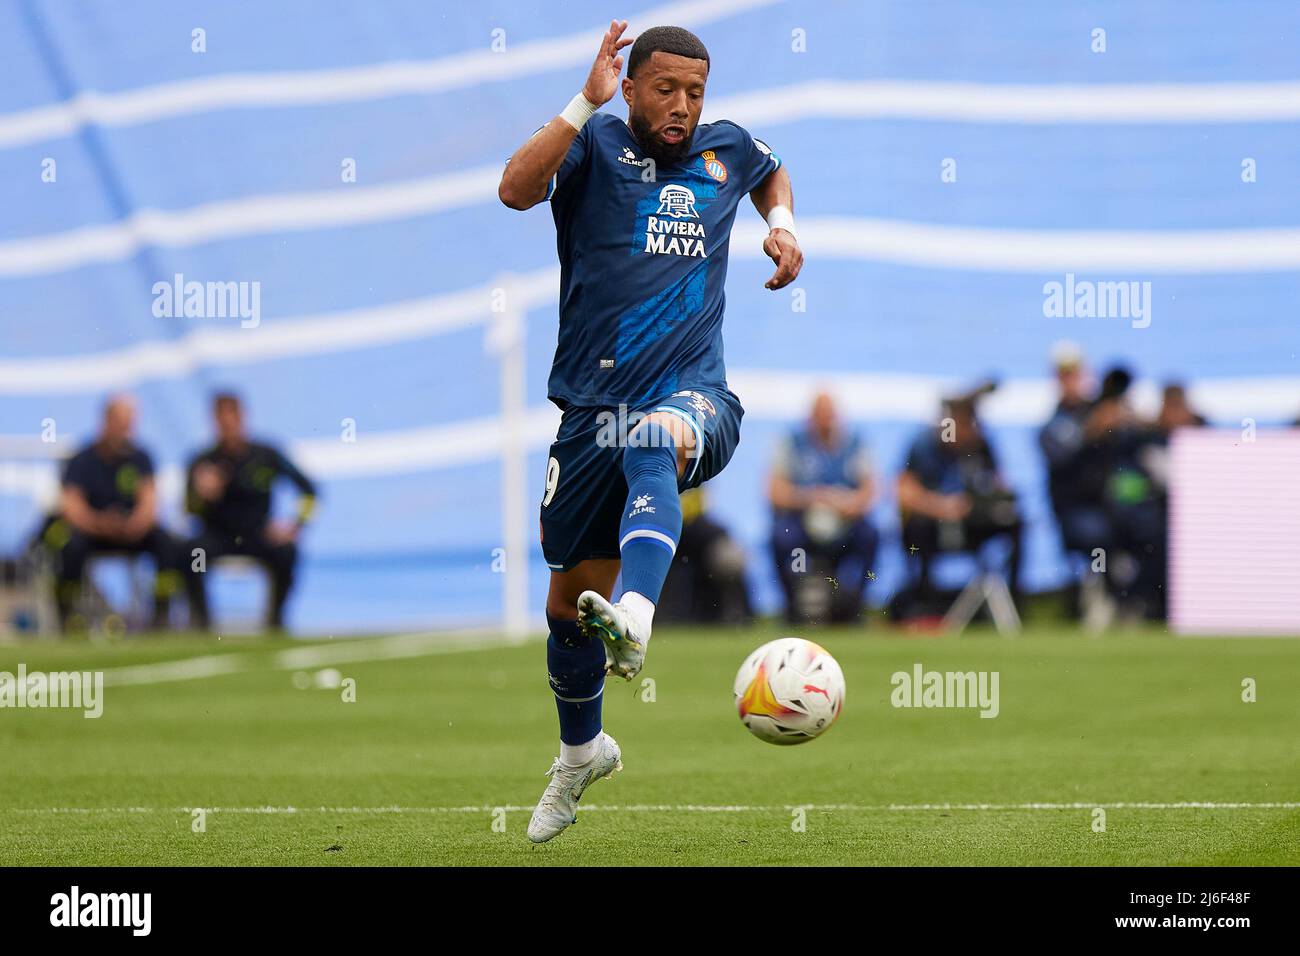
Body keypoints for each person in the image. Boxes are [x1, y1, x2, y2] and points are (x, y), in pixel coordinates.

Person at [498, 21, 802, 842]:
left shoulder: (726, 151)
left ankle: (637, 609)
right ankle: (581, 752)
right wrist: (580, 101)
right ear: (630, 87)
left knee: (651, 441)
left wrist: (785, 228)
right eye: (664, 89)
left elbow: (772, 172)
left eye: (695, 93)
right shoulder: (594, 143)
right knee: (566, 608)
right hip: (588, 415)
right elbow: (515, 190)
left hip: (694, 396)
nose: (680, 107)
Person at [183, 392, 317, 632]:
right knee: (193, 553)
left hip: (257, 536)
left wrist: (296, 526)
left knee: (286, 552)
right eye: (221, 420)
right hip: (217, 538)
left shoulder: (267, 455)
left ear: (242, 418)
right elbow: (187, 509)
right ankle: (202, 622)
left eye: (232, 418)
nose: (228, 426)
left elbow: (309, 491)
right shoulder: (202, 461)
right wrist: (200, 495)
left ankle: (275, 621)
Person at [48, 394, 183, 631]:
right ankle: (67, 615)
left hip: (129, 533)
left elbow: (149, 503)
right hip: (92, 534)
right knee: (70, 545)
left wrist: (134, 524)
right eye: (121, 422)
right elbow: (71, 506)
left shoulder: (141, 458)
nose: (126, 429)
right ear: (106, 421)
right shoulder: (82, 459)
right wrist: (99, 523)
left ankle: (161, 615)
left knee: (165, 542)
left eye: (130, 423)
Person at [897, 389, 1023, 613]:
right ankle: (924, 604)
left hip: (971, 522)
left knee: (1015, 523)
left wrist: (984, 501)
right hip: (930, 525)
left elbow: (998, 484)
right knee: (917, 531)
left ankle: (1010, 602)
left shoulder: (980, 447)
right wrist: (941, 507)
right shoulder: (924, 446)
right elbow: (904, 492)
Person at [769, 392, 878, 623]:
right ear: (810, 418)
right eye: (820, 416)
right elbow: (775, 492)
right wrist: (811, 497)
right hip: (801, 520)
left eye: (829, 416)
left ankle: (855, 604)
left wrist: (846, 503)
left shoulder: (855, 444)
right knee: (781, 538)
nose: (825, 422)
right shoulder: (793, 443)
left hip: (844, 521)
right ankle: (792, 605)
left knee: (870, 536)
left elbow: (869, 492)